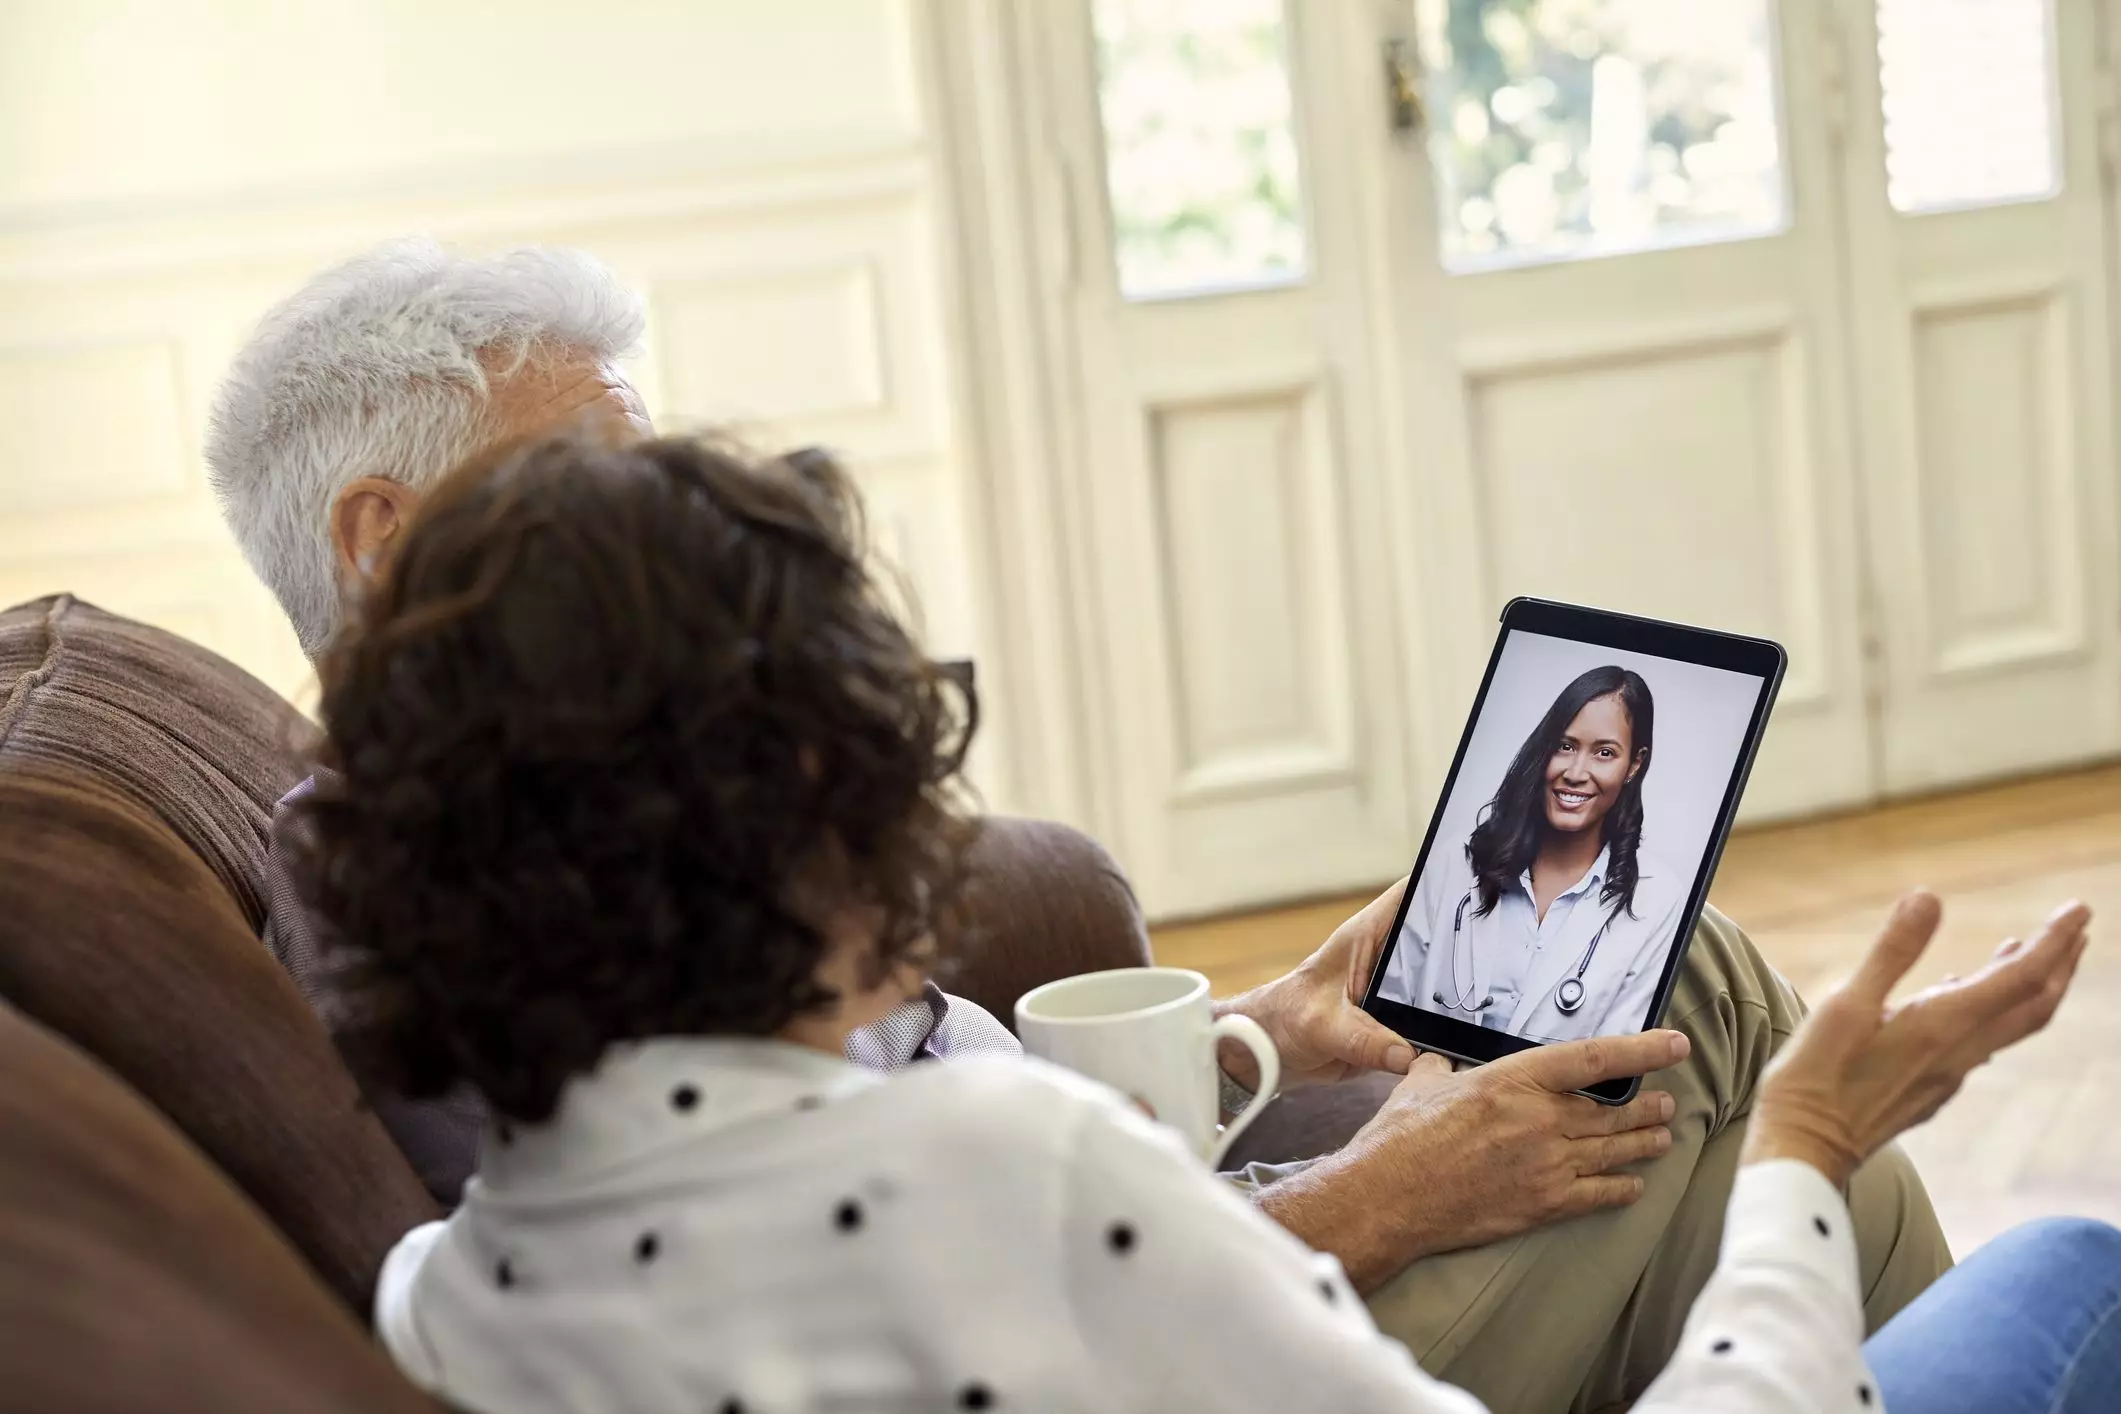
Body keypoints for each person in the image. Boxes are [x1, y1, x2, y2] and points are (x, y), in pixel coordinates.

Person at [205, 239, 1953, 1413]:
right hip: (1194, 1307)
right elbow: (1004, 1264)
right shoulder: (992, 1177)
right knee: (1886, 1186)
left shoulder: (457, 1283)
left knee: (1770, 1109)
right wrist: (1777, 1148)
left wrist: (1256, 1033)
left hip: (1147, 1249)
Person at [1381, 666, 1684, 1041]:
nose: (1575, 772)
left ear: (1634, 765)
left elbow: (1612, 1061)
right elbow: (1388, 1014)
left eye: (1604, 753)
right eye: (1565, 745)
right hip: (1426, 1085)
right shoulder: (1451, 862)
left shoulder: (1658, 897)